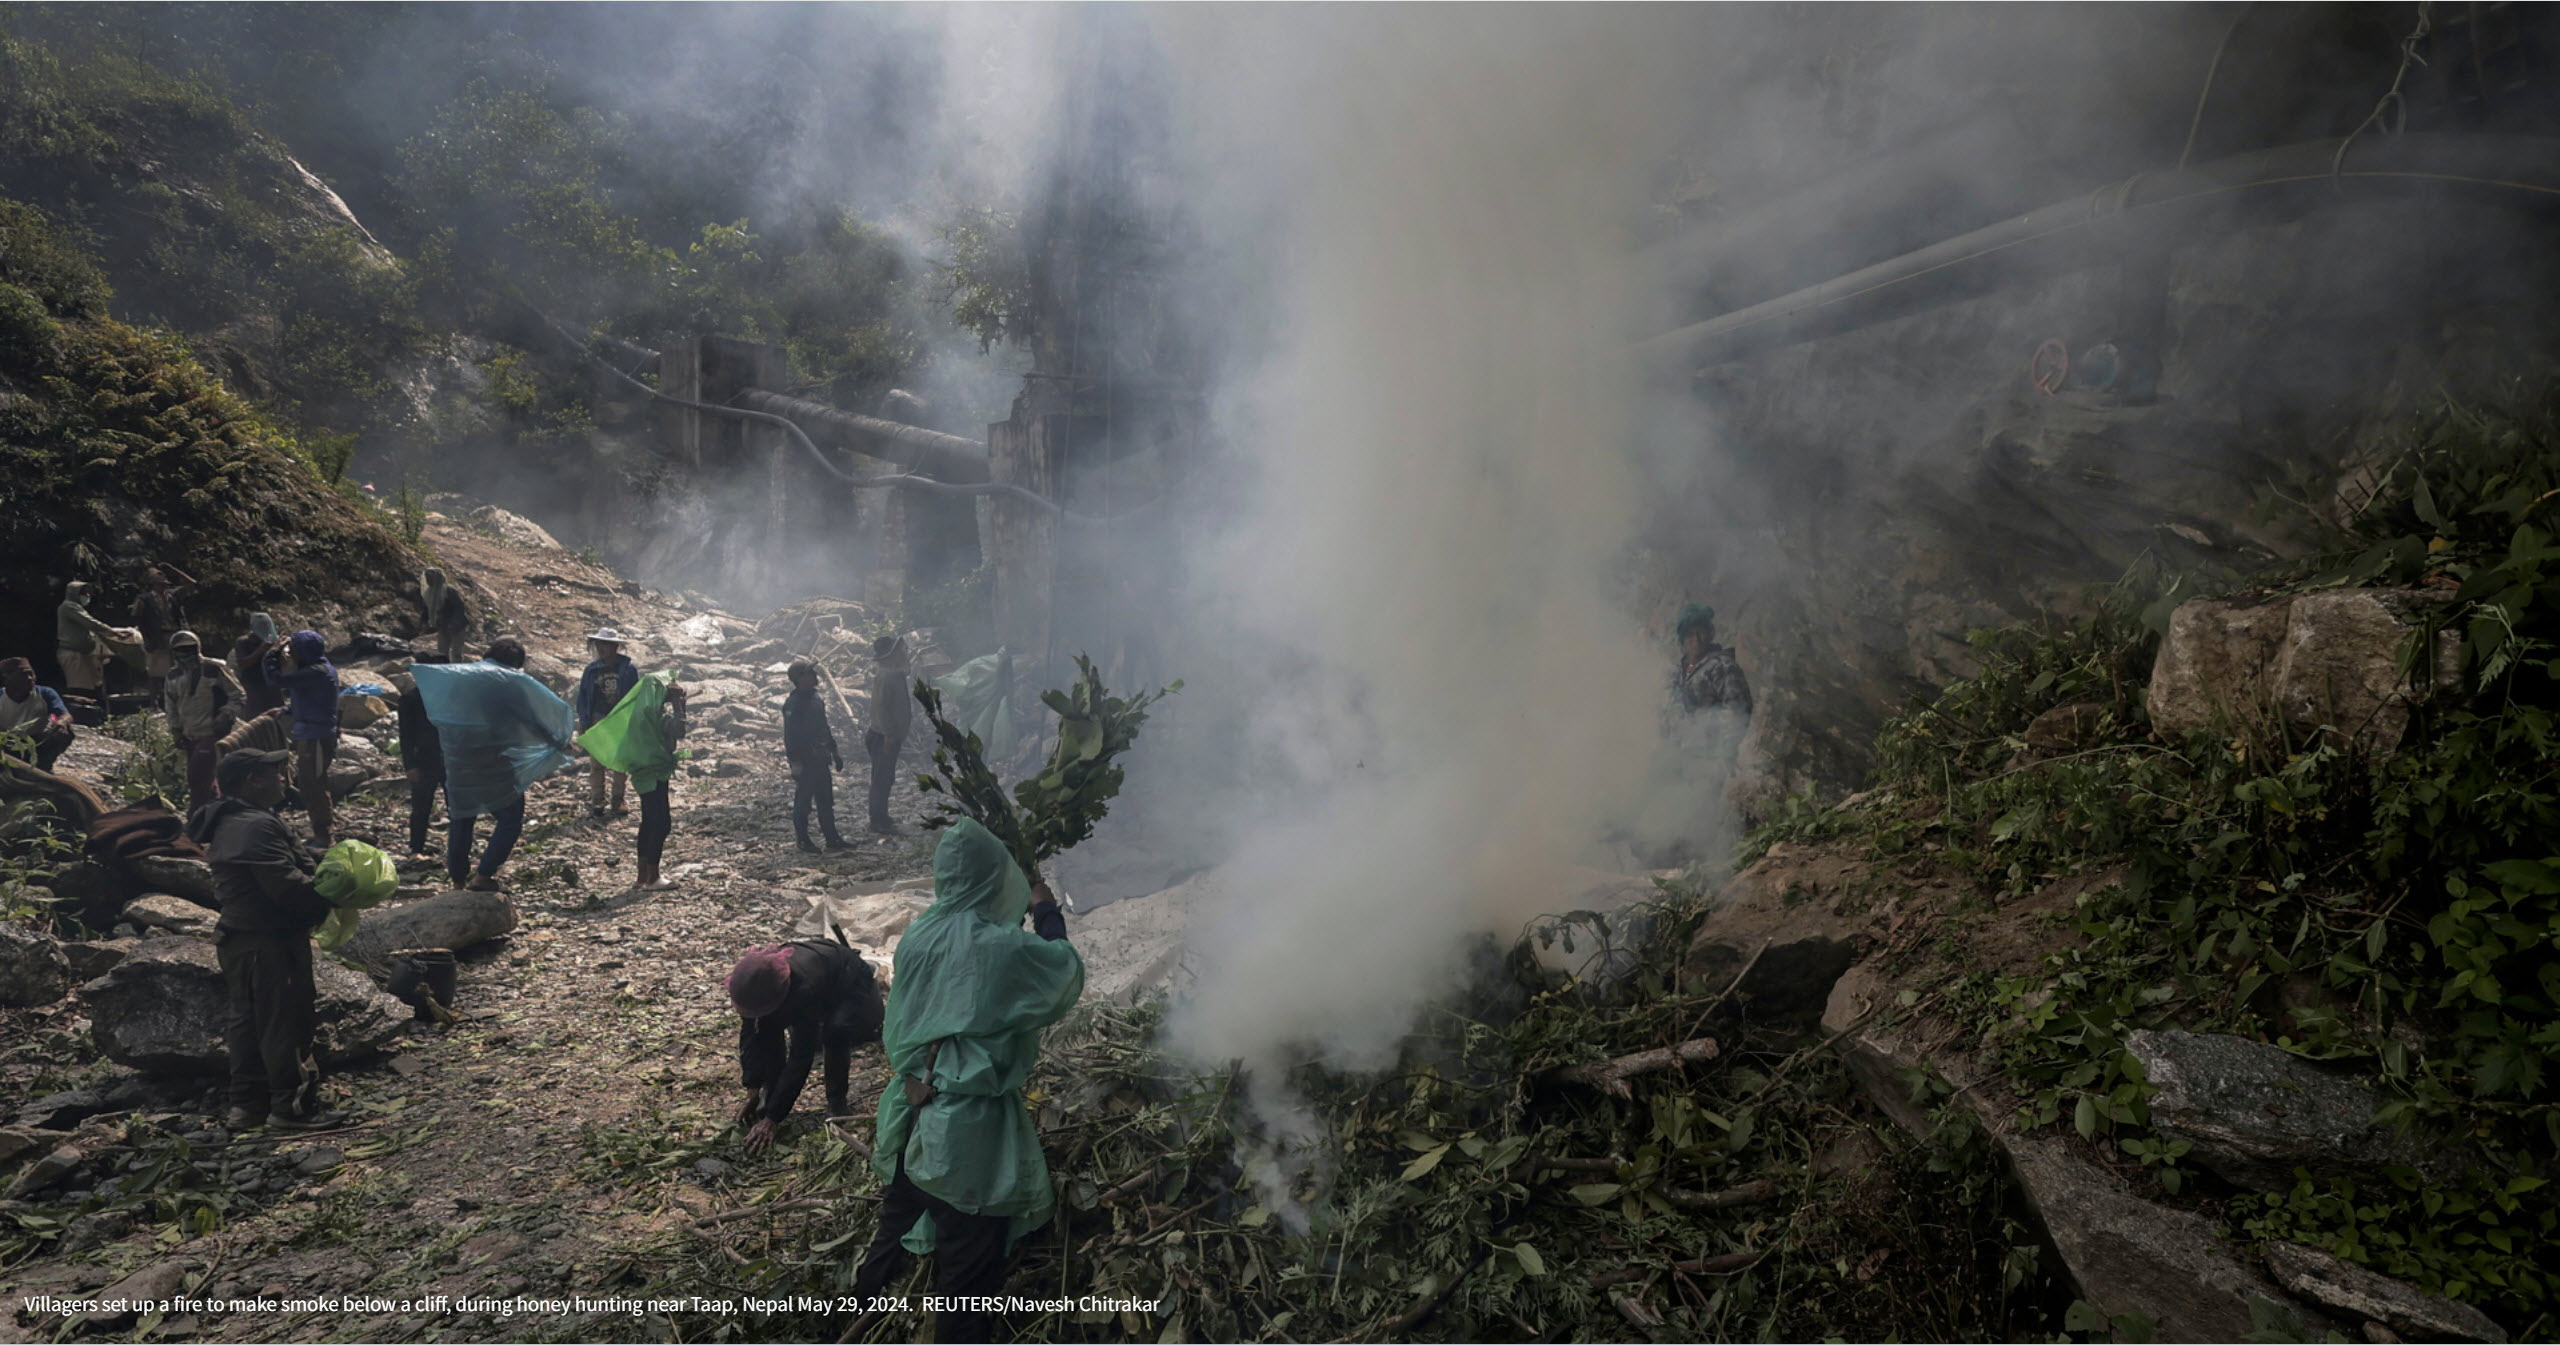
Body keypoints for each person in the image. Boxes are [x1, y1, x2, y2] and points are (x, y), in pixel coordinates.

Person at [852, 819, 1083, 1342]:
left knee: (891, 1233)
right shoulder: (996, 945)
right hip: (963, 1135)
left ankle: (845, 1321)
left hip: (909, 1113)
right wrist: (1044, 908)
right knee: (967, 1276)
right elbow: (1062, 969)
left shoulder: (920, 933)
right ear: (996, 878)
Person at [187, 748, 339, 1131]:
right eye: (276, 773)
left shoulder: (234, 820)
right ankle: (291, 1108)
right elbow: (286, 887)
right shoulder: (256, 826)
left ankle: (247, 1106)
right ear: (253, 780)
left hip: (241, 939)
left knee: (249, 1022)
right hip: (269, 939)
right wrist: (335, 893)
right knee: (285, 1022)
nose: (284, 779)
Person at [430, 637, 577, 891]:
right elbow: (530, 719)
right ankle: (483, 875)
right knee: (510, 817)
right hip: (494, 760)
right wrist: (558, 741)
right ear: (515, 664)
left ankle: (458, 882)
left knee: (462, 817)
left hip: (456, 760)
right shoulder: (508, 683)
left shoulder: (460, 678)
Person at [727, 939, 882, 1154]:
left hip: (849, 975)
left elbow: (801, 1056)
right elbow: (751, 1034)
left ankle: (837, 1102)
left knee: (835, 1032)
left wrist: (773, 1118)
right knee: (767, 1029)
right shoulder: (751, 989)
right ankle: (770, 1093)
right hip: (812, 975)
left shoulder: (803, 990)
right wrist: (752, 1086)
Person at [263, 629, 341, 850]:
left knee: (313, 785)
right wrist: (286, 710)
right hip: (311, 732)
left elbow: (275, 679)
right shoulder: (315, 669)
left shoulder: (316, 671)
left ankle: (324, 835)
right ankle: (323, 829)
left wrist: (272, 653)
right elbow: (311, 698)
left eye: (294, 649)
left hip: (317, 736)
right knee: (311, 783)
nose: (291, 654)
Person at [162, 631, 242, 814]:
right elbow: (171, 706)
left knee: (197, 777)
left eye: (189, 648)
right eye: (181, 650)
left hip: (212, 731)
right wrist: (175, 730)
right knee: (206, 780)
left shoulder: (214, 668)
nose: (186, 653)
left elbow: (237, 695)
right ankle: (215, 813)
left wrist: (225, 714)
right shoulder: (173, 675)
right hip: (189, 733)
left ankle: (195, 816)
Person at [781, 659, 847, 852]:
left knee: (826, 801)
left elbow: (824, 727)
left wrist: (834, 751)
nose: (815, 676)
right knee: (803, 802)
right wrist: (795, 762)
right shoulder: (793, 704)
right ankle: (803, 840)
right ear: (800, 678)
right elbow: (790, 736)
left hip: (821, 758)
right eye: (810, 673)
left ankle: (832, 839)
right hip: (806, 760)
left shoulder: (815, 698)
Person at [574, 628, 639, 818]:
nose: (601, 648)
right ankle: (598, 800)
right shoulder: (591, 670)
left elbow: (635, 695)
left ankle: (618, 800)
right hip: (598, 719)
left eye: (606, 644)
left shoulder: (628, 669)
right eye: (599, 644)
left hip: (620, 720)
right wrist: (584, 721)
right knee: (597, 763)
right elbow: (584, 696)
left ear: (615, 646)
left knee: (620, 762)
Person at [391, 671, 444, 861]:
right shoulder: (411, 699)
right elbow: (406, 736)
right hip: (424, 759)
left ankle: (459, 849)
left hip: (447, 757)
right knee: (421, 807)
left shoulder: (449, 695)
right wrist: (410, 766)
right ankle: (416, 847)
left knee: (456, 807)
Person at [863, 635, 913, 833]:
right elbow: (883, 709)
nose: (904, 653)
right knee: (881, 779)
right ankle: (877, 820)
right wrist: (890, 734)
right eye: (900, 650)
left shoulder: (891, 674)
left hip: (883, 734)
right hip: (882, 736)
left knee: (885, 777)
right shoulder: (888, 677)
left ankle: (882, 815)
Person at [1673, 603, 1752, 718]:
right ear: (1682, 640)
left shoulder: (1723, 666)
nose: (1696, 639)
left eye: (1701, 633)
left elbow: (1737, 713)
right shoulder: (1678, 672)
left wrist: (1703, 728)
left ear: (1710, 635)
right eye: (1690, 635)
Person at [0, 657, 76, 770]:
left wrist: (61, 722)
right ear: (7, 678)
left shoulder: (45, 693)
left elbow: (66, 715)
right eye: (23, 675)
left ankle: (44, 763)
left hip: (37, 742)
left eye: (31, 674)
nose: (30, 678)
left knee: (66, 731)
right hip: (5, 743)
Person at [133, 565, 195, 694]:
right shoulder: (144, 599)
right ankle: (155, 699)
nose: (163, 587)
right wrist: (147, 638)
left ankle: (178, 694)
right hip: (157, 637)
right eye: (160, 584)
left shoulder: (172, 595)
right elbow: (138, 619)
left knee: (179, 668)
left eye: (164, 584)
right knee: (156, 672)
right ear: (153, 585)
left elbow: (191, 583)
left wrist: (172, 569)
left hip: (175, 635)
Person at [55, 580, 119, 704]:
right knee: (79, 687)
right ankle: (81, 711)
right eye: (83, 593)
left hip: (84, 652)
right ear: (74, 593)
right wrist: (113, 632)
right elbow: (90, 623)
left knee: (94, 684)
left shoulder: (77, 607)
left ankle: (97, 711)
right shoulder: (68, 607)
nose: (87, 596)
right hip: (73, 653)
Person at [230, 613, 284, 715]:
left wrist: (278, 649)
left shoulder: (273, 640)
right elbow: (242, 664)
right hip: (253, 686)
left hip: (272, 685)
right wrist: (261, 650)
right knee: (255, 717)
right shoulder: (243, 642)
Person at [418, 568, 470, 664]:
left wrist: (454, 622)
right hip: (442, 625)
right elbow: (427, 609)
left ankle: (456, 669)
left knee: (456, 652)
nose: (428, 580)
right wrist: (423, 622)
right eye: (427, 578)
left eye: (430, 578)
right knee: (442, 651)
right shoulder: (429, 593)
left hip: (457, 626)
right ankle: (444, 669)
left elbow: (459, 606)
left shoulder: (448, 591)